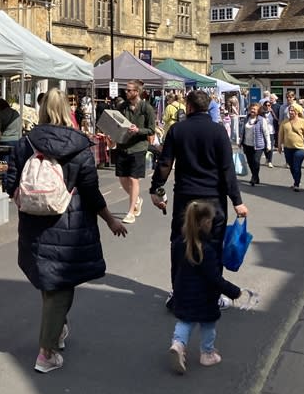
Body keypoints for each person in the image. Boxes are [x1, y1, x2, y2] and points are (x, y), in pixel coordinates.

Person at [5, 88, 127, 374]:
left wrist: (29, 198)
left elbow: (10, 180)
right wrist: (110, 219)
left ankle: (56, 331)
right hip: (70, 227)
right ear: (67, 111)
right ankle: (46, 353)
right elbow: (91, 192)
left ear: (43, 110)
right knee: (61, 286)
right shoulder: (80, 147)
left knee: (50, 281)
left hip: (34, 223)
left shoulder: (25, 143)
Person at [151, 90, 248, 308]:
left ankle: (178, 293)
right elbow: (227, 169)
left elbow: (165, 163)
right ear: (208, 107)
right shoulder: (219, 131)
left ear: (189, 106)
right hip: (213, 199)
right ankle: (212, 295)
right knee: (212, 246)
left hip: (186, 198)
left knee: (180, 245)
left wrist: (156, 189)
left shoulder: (177, 130)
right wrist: (237, 201)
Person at [168, 200, 243, 374]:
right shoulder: (206, 250)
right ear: (205, 224)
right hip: (205, 297)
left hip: (183, 292)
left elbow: (175, 268)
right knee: (208, 325)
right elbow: (214, 278)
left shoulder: (180, 243)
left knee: (185, 321)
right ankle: (207, 354)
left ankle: (178, 345)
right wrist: (234, 291)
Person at [114, 79, 157, 224]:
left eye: (129, 90)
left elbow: (151, 129)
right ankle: (137, 199)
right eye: (125, 90)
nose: (126, 92)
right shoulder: (122, 107)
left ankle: (131, 211)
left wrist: (138, 130)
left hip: (138, 147)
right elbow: (117, 123)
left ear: (136, 92)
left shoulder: (147, 108)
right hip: (123, 146)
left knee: (133, 179)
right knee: (122, 178)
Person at [277, 104, 304, 192]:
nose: (290, 112)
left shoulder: (303, 122)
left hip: (300, 148)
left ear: (297, 112)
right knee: (291, 166)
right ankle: (296, 180)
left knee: (296, 166)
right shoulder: (284, 122)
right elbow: (280, 135)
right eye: (290, 110)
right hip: (287, 148)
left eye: (293, 110)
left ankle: (297, 184)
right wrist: (279, 146)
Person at [241, 103, 272, 186]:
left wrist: (268, 145)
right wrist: (241, 141)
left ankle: (254, 177)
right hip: (247, 144)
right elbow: (243, 131)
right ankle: (256, 177)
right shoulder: (246, 119)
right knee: (250, 162)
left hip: (258, 145)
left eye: (254, 109)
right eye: (251, 108)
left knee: (256, 161)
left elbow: (266, 133)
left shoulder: (261, 120)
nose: (252, 110)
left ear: (258, 111)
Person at [260, 100, 277, 167]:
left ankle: (270, 161)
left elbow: (276, 119)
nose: (267, 106)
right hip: (264, 131)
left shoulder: (272, 112)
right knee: (264, 146)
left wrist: (272, 111)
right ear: (264, 106)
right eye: (266, 105)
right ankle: (267, 158)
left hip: (271, 131)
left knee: (271, 147)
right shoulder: (261, 113)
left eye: (269, 105)